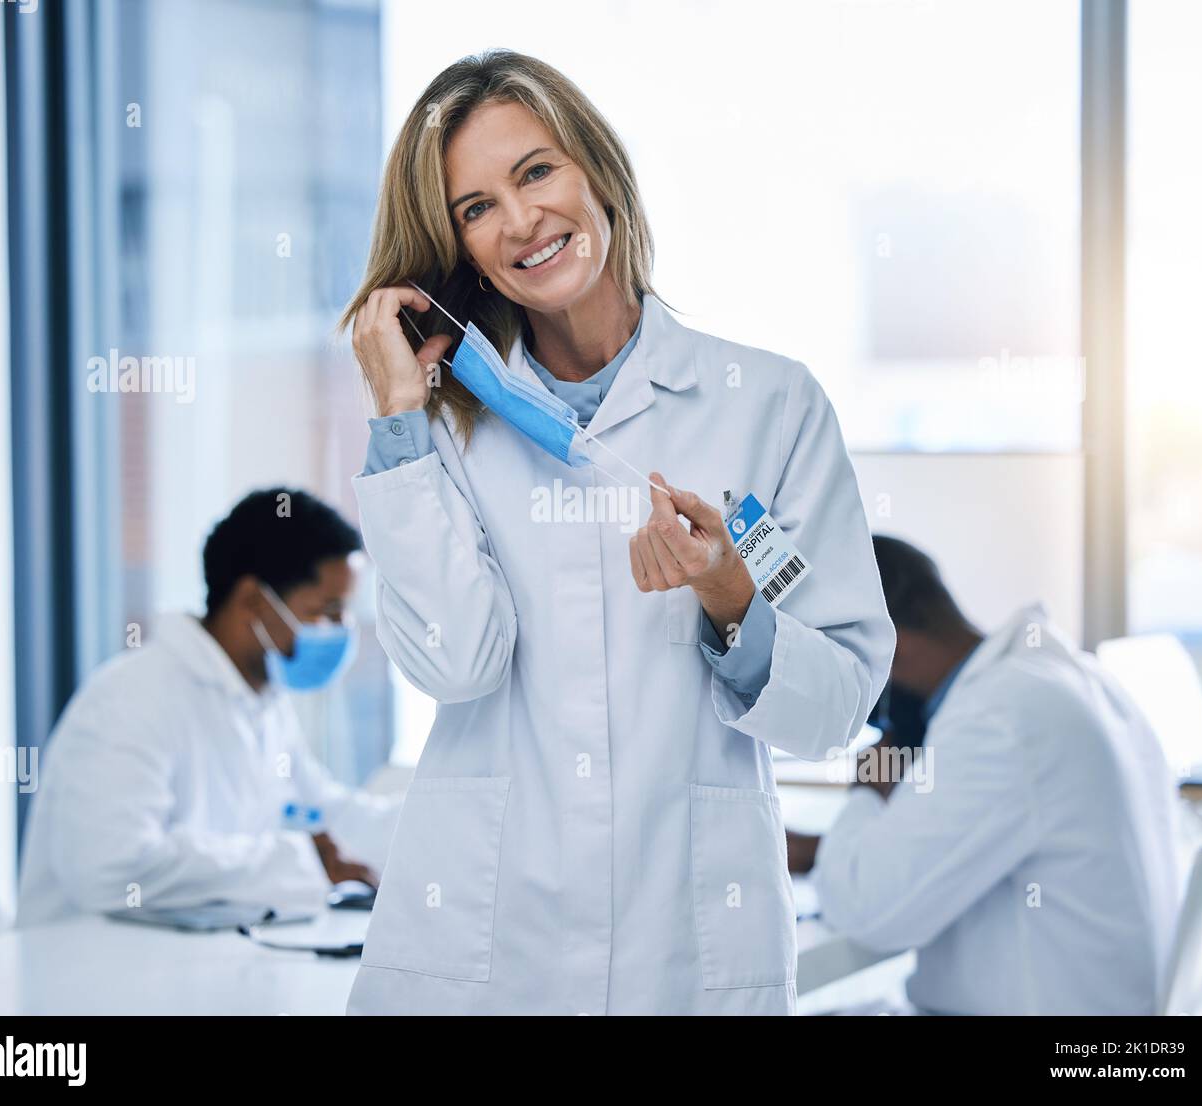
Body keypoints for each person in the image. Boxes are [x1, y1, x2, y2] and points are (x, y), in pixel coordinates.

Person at [339, 49, 894, 1016]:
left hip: (686, 951)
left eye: (536, 171)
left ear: (598, 168)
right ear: (456, 246)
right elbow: (459, 667)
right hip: (482, 944)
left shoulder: (768, 404)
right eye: (475, 208)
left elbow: (837, 706)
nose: (520, 222)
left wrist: (730, 594)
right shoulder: (437, 430)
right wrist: (397, 411)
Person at [801, 535, 1184, 1015]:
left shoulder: (1000, 717)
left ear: (885, 646)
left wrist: (871, 783)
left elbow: (863, 911)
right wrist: (821, 847)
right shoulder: (1063, 679)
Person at [17, 489, 400, 927]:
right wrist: (297, 862)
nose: (342, 631)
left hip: (185, 966)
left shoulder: (263, 702)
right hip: (83, 973)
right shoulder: (133, 697)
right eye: (327, 612)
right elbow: (110, 869)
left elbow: (329, 817)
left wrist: (433, 822)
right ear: (254, 601)